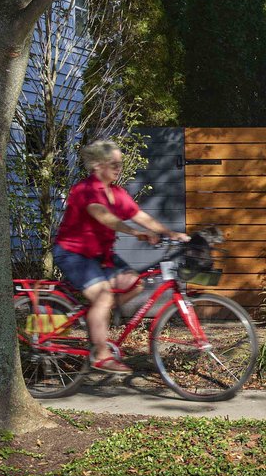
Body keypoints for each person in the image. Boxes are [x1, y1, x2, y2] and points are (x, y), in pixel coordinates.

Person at [53, 139, 187, 373]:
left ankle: (97, 319)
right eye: (113, 163)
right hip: (74, 253)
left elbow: (139, 215)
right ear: (97, 165)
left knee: (134, 283)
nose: (118, 168)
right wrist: (136, 233)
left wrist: (169, 232)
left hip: (100, 255)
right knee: (104, 297)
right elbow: (104, 216)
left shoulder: (116, 192)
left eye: (120, 164)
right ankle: (101, 355)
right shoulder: (85, 190)